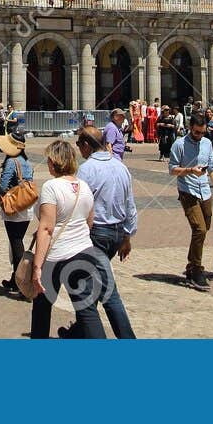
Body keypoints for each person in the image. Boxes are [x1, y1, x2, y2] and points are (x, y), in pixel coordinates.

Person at [28, 138, 105, 339]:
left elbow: (46, 228)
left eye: (49, 160)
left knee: (42, 306)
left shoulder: (51, 187)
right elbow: (90, 221)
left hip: (56, 256)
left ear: (55, 162)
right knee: (87, 310)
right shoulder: (84, 186)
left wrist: (37, 267)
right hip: (85, 252)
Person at [73, 125, 136, 338]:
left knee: (108, 292)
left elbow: (79, 206)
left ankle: (128, 339)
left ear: (86, 145)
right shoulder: (120, 166)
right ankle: (76, 334)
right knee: (91, 283)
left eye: (79, 145)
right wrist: (127, 236)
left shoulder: (87, 169)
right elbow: (130, 205)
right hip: (117, 233)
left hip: (97, 235)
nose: (78, 150)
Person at [169, 114, 213, 289]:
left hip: (205, 191)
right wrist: (190, 170)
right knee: (199, 229)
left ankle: (191, 267)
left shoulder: (207, 143)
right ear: (190, 128)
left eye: (202, 132)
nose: (200, 135)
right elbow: (172, 169)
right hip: (187, 191)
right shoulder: (179, 145)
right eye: (197, 132)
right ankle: (197, 269)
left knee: (205, 229)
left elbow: (212, 169)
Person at [0, 131, 34, 293]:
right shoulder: (26, 161)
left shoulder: (11, 161)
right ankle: (15, 278)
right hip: (27, 206)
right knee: (18, 241)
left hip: (14, 206)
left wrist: (0, 196)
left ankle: (22, 281)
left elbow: (4, 185)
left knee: (16, 242)